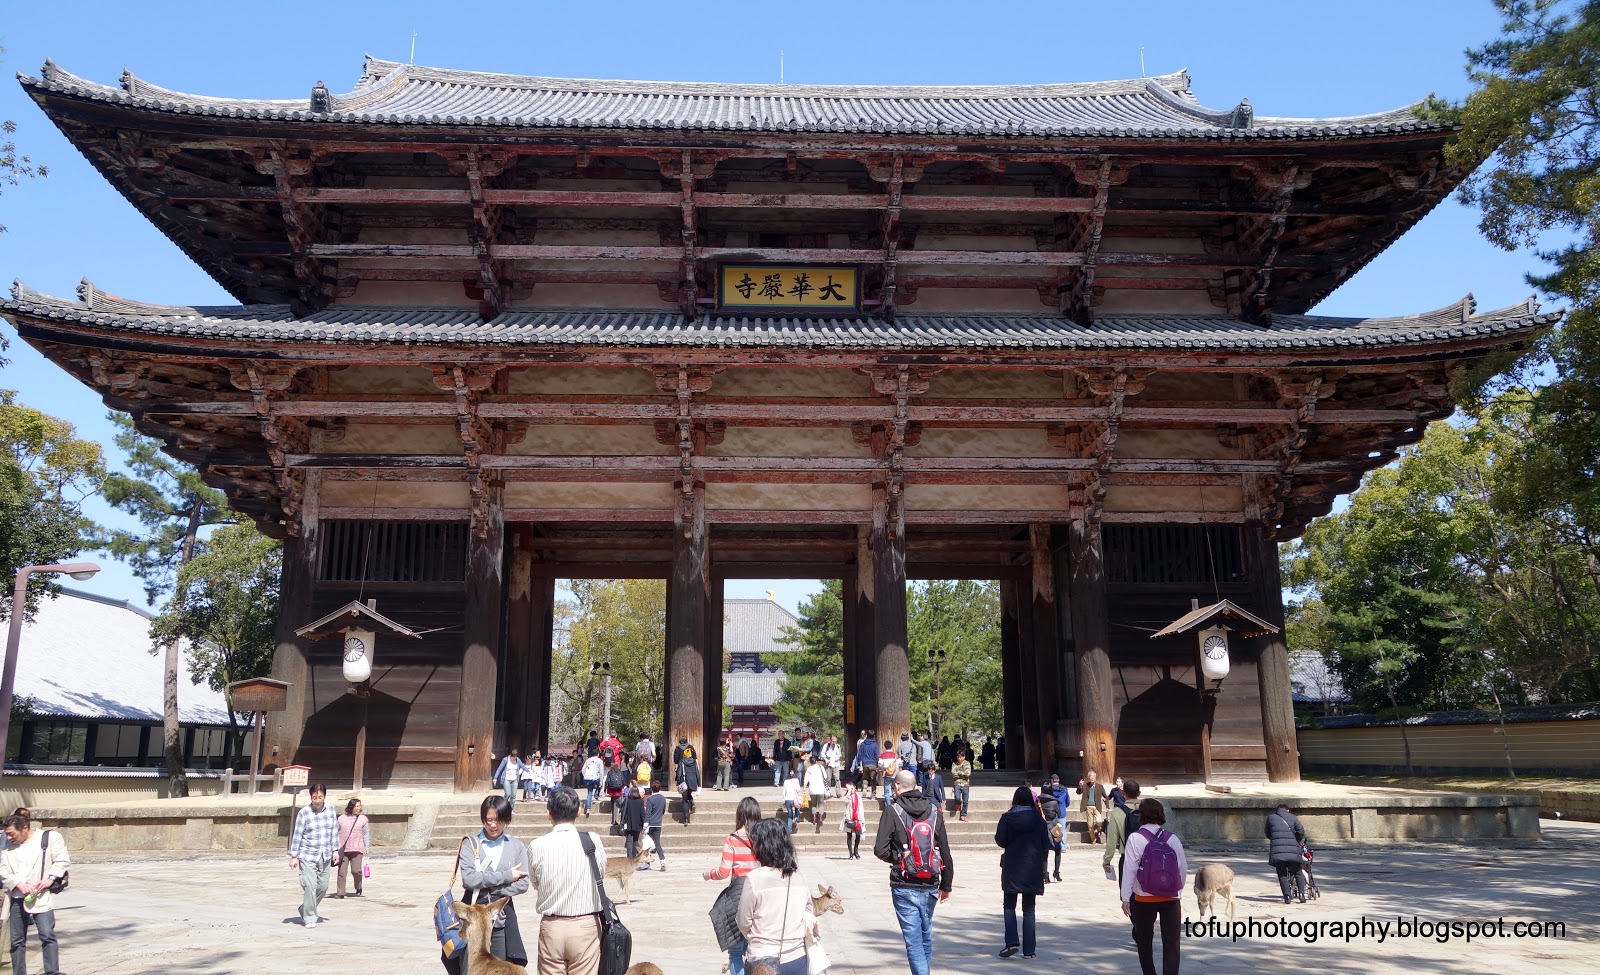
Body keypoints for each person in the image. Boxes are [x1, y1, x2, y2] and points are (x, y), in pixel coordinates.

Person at [874, 769, 953, 975]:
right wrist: (946, 885)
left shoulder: (893, 811)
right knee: (925, 936)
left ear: (897, 786)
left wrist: (900, 857)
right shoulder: (934, 810)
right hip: (930, 883)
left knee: (914, 941)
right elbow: (944, 850)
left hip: (903, 883)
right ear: (916, 785)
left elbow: (880, 849)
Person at [526, 787, 607, 974]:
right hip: (585, 926)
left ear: (548, 814)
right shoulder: (593, 841)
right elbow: (599, 875)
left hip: (552, 927)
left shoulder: (536, 846)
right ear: (578, 811)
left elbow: (536, 883)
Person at [456, 795, 532, 969]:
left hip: (501, 919)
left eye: (498, 820)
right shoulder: (470, 844)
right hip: (473, 921)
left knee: (498, 967)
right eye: (488, 820)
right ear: (483, 819)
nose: (493, 825)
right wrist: (506, 876)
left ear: (506, 820)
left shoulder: (516, 846)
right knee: (471, 968)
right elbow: (469, 879)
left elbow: (523, 883)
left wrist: (488, 886)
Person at [737, 817, 818, 975]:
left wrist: (759, 938)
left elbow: (743, 921)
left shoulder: (754, 879)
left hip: (762, 960)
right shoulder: (798, 876)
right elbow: (808, 911)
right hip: (796, 959)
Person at [1121, 798, 1188, 975]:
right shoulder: (1172, 838)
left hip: (1144, 897)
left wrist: (1125, 897)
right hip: (1171, 898)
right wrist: (1177, 890)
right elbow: (1182, 868)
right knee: (1172, 943)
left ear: (1141, 816)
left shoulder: (1135, 838)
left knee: (1144, 941)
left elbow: (1129, 869)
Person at [1, 812, 69, 975]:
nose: (9, 837)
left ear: (25, 828)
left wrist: (50, 879)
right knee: (17, 940)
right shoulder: (6, 842)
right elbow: (2, 868)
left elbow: (62, 860)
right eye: (7, 834)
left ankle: (52, 972)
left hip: (40, 895)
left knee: (47, 935)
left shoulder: (49, 838)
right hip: (17, 896)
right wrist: (17, 883)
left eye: (12, 833)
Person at [706, 797, 762, 975]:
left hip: (739, 894)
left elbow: (723, 872)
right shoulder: (763, 839)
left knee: (736, 953)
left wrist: (708, 874)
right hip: (761, 893)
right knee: (759, 950)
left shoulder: (732, 840)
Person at [994, 785, 1049, 959]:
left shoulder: (1007, 818)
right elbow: (1045, 845)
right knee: (1029, 909)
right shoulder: (1039, 820)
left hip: (1012, 867)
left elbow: (1001, 841)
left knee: (1009, 906)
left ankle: (1011, 942)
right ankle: (1029, 950)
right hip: (1032, 867)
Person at [287, 782, 339, 928]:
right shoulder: (304, 812)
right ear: (311, 797)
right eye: (314, 797)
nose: (317, 800)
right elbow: (297, 834)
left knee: (323, 887)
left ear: (324, 796)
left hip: (325, 854)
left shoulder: (331, 810)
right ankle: (309, 917)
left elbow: (334, 831)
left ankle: (305, 908)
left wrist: (335, 850)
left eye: (320, 797)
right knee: (310, 885)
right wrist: (294, 856)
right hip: (307, 854)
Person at [1266, 804, 1309, 904]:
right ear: (1288, 810)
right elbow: (1300, 831)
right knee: (1298, 872)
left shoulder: (1271, 818)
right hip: (1293, 851)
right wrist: (1296, 840)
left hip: (1278, 852)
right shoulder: (1293, 817)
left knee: (1282, 874)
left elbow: (1267, 832)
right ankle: (1302, 894)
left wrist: (1275, 840)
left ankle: (1287, 896)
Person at [1103, 778, 1142, 882]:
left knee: (1127, 895)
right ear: (1139, 793)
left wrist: (1107, 860)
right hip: (1147, 857)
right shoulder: (1147, 809)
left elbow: (1112, 841)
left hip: (1127, 858)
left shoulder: (1117, 812)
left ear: (1123, 793)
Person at [334, 797, 370, 898]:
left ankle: (358, 886)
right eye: (357, 806)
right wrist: (335, 847)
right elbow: (335, 832)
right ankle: (340, 892)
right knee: (341, 872)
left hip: (357, 848)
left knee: (356, 870)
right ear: (352, 807)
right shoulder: (341, 818)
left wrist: (366, 846)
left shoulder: (363, 819)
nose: (359, 808)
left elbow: (365, 834)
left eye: (360, 806)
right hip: (343, 848)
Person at [1034, 779, 1062, 886]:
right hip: (1053, 828)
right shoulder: (1054, 802)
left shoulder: (1038, 801)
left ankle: (1045, 874)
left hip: (1042, 828)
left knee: (1044, 852)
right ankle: (1056, 872)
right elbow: (1059, 814)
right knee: (1057, 850)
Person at [1045, 774, 1070, 881]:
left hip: (1048, 819)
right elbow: (1068, 801)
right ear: (1058, 780)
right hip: (1061, 814)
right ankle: (1062, 847)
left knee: (1045, 848)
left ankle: (1045, 874)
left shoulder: (1048, 792)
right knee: (1060, 833)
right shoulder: (1064, 790)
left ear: (1052, 780)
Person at [675, 736, 701, 824]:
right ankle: (692, 801)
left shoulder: (678, 751)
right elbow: (695, 758)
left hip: (684, 778)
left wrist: (678, 782)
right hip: (692, 779)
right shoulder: (691, 748)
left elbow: (676, 762)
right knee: (689, 793)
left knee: (684, 799)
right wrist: (699, 784)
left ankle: (686, 818)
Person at [642, 784, 668, 871]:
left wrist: (645, 824)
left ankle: (647, 863)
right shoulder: (663, 798)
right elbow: (663, 810)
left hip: (650, 824)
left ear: (652, 789)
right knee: (657, 843)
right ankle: (662, 861)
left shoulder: (650, 799)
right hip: (658, 823)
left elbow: (648, 813)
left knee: (646, 845)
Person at [1078, 769, 1108, 844]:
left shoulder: (1100, 786)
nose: (1092, 779)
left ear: (1095, 778)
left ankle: (1099, 829)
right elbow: (1078, 792)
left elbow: (1105, 796)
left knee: (1098, 821)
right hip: (1088, 807)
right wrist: (1080, 786)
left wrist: (1107, 806)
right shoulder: (1085, 786)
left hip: (1097, 807)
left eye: (1093, 777)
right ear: (1088, 778)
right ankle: (1093, 838)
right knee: (1090, 825)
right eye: (1090, 777)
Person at [840, 781, 866, 860]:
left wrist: (862, 820)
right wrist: (848, 792)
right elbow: (846, 801)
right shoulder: (847, 796)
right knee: (849, 836)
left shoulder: (858, 797)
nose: (852, 789)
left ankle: (856, 850)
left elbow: (861, 809)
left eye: (853, 787)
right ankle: (850, 853)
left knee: (858, 835)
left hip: (857, 818)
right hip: (849, 818)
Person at [803, 756, 829, 833]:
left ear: (810, 762)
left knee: (813, 804)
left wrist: (804, 789)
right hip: (820, 788)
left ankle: (814, 818)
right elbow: (825, 776)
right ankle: (820, 817)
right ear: (816, 761)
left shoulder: (808, 769)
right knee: (821, 804)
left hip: (812, 789)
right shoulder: (820, 767)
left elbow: (805, 780)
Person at [621, 785, 646, 859]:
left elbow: (624, 811)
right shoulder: (640, 801)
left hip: (629, 822)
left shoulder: (628, 800)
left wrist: (623, 821)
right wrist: (644, 822)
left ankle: (629, 857)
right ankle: (634, 856)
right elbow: (642, 813)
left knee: (629, 841)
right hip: (638, 823)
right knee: (635, 840)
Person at [950, 749, 973, 822]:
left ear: (964, 757)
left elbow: (968, 774)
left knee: (965, 801)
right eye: (958, 757)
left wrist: (959, 773)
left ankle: (963, 815)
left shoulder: (967, 764)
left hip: (965, 784)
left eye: (960, 757)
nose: (959, 758)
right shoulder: (954, 764)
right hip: (957, 783)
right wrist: (962, 773)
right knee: (957, 797)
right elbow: (953, 774)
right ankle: (958, 804)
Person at [581, 751, 604, 817]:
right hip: (596, 778)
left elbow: (583, 769)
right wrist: (601, 781)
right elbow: (601, 772)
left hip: (588, 778)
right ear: (598, 754)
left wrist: (585, 775)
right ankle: (596, 795)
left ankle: (588, 809)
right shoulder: (599, 761)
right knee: (599, 785)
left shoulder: (588, 760)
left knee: (589, 793)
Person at [781, 765, 803, 834]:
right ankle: (796, 817)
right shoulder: (796, 780)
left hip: (787, 799)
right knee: (797, 807)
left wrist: (783, 799)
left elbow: (784, 791)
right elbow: (798, 789)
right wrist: (799, 795)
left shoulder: (785, 781)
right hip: (794, 798)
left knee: (790, 814)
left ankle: (789, 829)